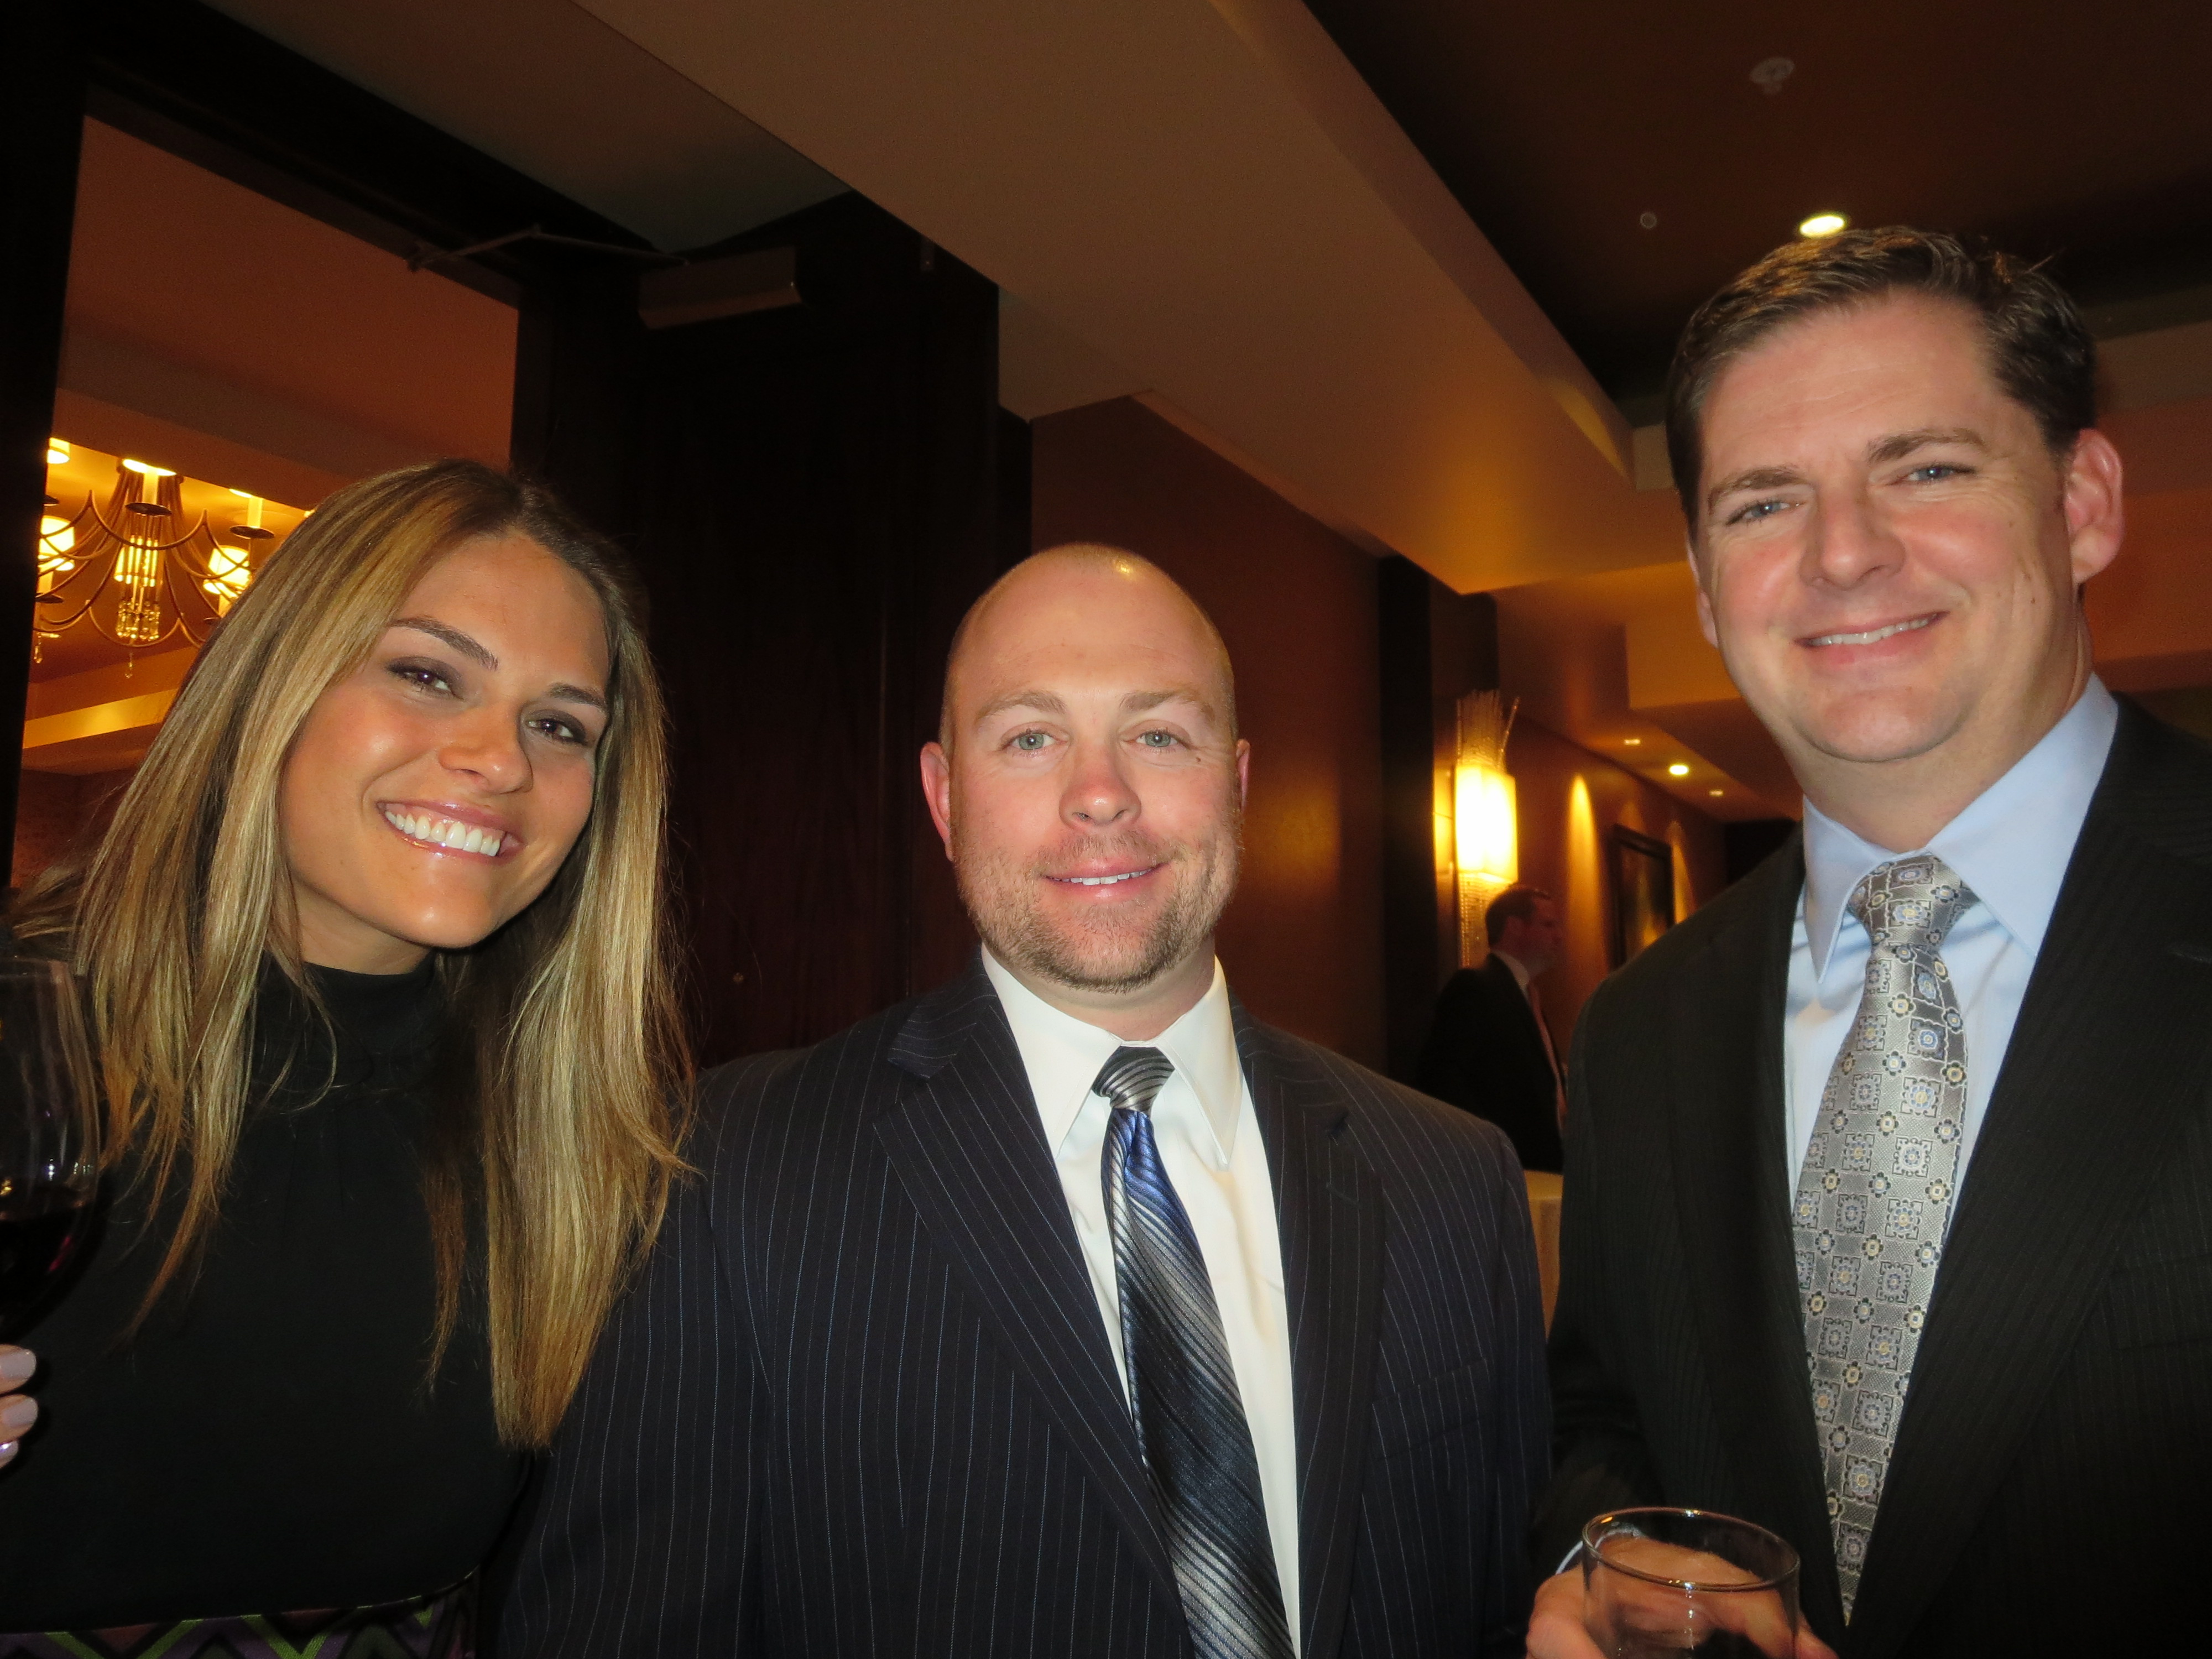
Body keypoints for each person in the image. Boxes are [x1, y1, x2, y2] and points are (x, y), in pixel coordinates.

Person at [493, 545, 1550, 1657]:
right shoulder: (721, 1174)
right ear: (945, 799)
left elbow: (1500, 1611)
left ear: (1236, 786)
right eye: (1030, 738)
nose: (1100, 794)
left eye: (1158, 734)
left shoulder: (1451, 1180)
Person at [1528, 227, 2212, 1658]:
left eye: (1927, 470)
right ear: (1704, 585)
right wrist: (1614, 1567)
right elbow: (1603, 1417)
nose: (1842, 553)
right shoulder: (1641, 1027)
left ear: (2083, 503)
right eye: (1764, 502)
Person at [0, 461, 687, 1651]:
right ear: (271, 685)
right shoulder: (28, 1036)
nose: (502, 760)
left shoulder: (588, 1145)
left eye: (559, 725)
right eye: (426, 674)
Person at [1419, 885, 1567, 1172]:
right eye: (1548, 925)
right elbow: (1442, 1078)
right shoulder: (1475, 987)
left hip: (1540, 1165)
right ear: (1514, 927)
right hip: (1506, 1167)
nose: (1559, 936)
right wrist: (1491, 1151)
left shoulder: (1526, 994)